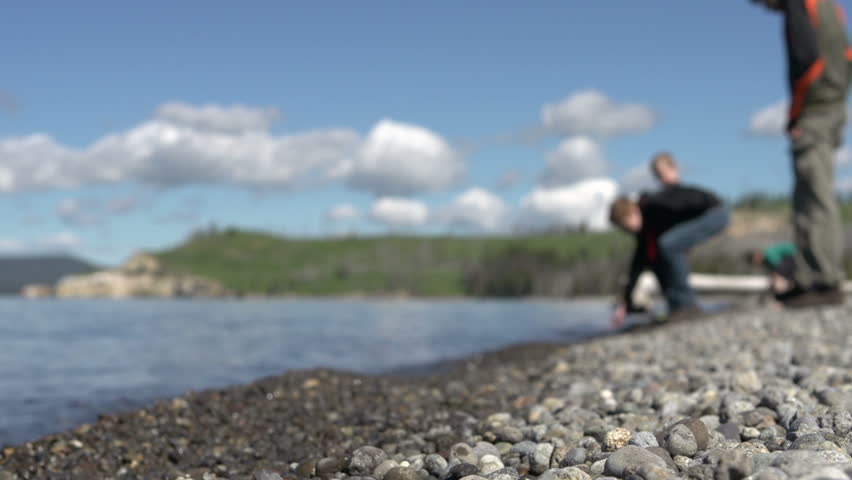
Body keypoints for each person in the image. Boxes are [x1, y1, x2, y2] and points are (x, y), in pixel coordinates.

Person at [751, 0, 852, 307]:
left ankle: (822, 279)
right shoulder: (829, 7)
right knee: (817, 195)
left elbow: (806, 60)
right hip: (832, 108)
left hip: (814, 112)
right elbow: (847, 55)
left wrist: (797, 114)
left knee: (812, 198)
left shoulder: (799, 4)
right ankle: (814, 276)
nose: (764, 8)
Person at [610, 183, 730, 327]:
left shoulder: (655, 205)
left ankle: (688, 307)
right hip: (702, 217)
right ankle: (676, 308)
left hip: (714, 211)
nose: (627, 230)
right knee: (657, 258)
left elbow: (689, 200)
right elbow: (638, 264)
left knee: (668, 245)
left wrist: (686, 235)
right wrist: (627, 301)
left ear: (633, 211)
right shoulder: (645, 231)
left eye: (625, 225)